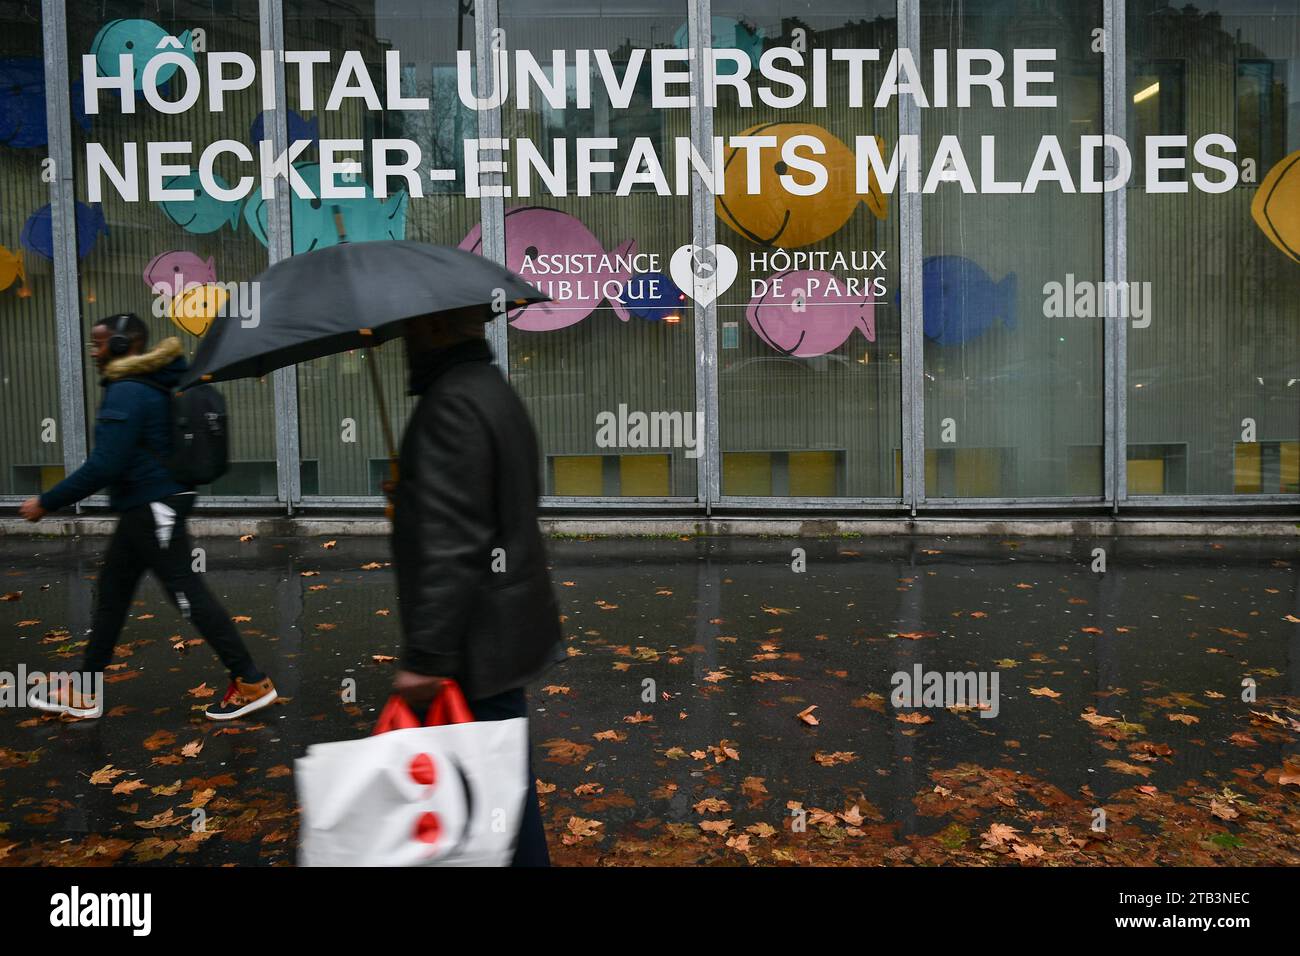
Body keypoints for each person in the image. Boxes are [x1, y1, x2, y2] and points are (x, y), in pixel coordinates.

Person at [18, 313, 277, 721]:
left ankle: (250, 680)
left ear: (123, 345)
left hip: (152, 505)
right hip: (146, 504)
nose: (93, 351)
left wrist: (46, 502)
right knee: (113, 594)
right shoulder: (153, 380)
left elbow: (105, 464)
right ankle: (85, 691)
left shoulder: (128, 391)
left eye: (99, 343)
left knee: (186, 593)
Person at [389, 306, 565, 867]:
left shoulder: (450, 406)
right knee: (502, 795)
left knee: (491, 806)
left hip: (474, 645)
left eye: (412, 326)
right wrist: (413, 495)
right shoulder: (489, 389)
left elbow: (453, 545)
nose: (405, 338)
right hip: (504, 632)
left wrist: (425, 658)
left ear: (437, 327)